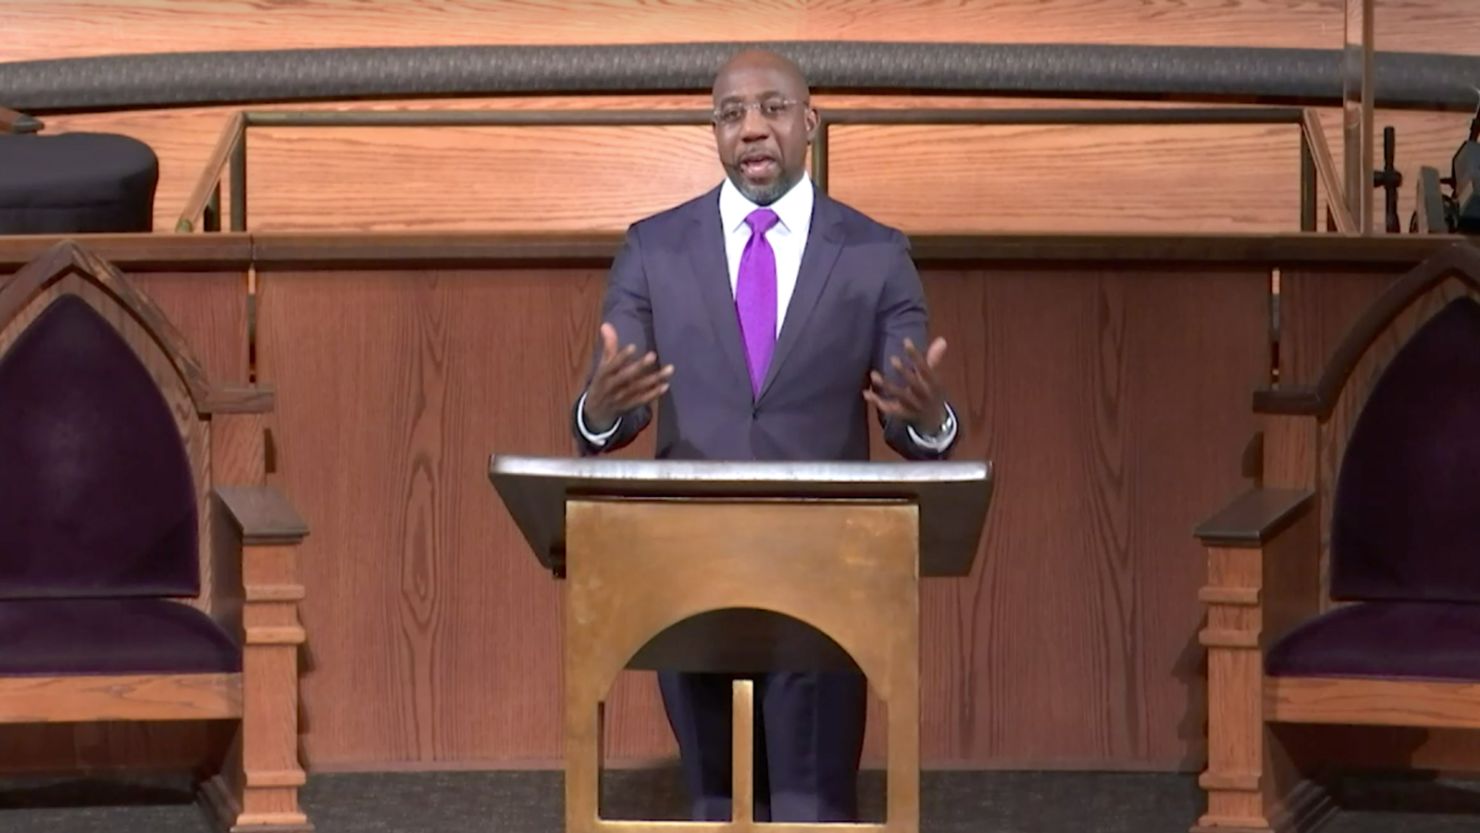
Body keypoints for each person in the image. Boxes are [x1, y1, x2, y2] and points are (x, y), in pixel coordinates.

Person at [570, 48, 959, 823]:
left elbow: (910, 414)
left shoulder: (876, 254)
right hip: (687, 577)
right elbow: (614, 400)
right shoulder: (654, 248)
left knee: (813, 808)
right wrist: (601, 409)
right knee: (715, 804)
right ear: (713, 131)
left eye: (773, 109)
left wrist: (924, 418)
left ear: (809, 122)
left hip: (826, 579)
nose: (751, 128)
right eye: (730, 113)